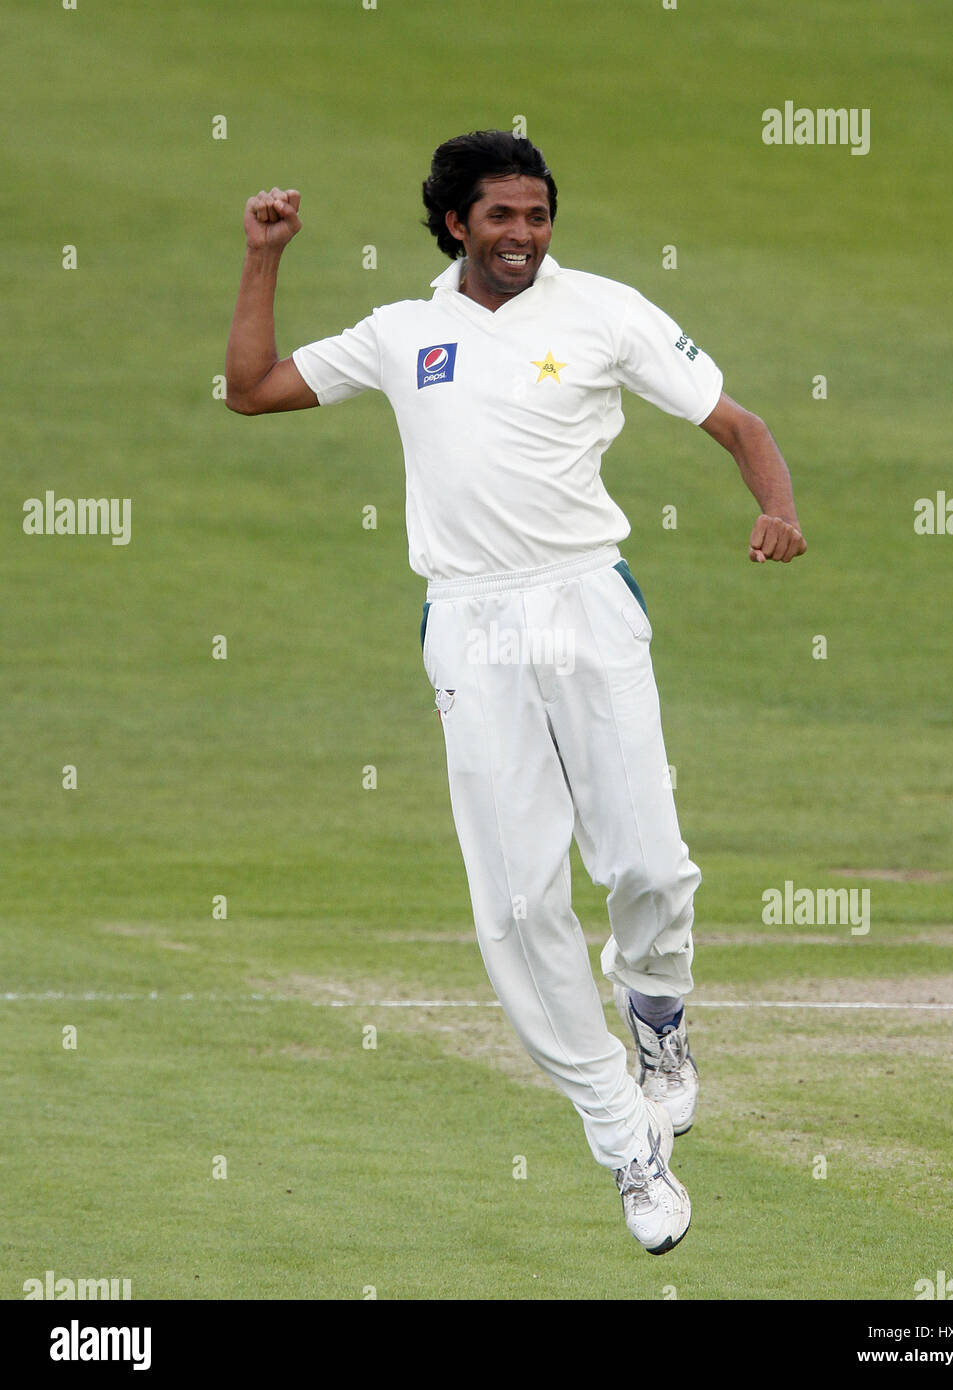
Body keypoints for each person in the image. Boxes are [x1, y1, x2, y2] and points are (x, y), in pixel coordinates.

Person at [225, 130, 806, 1255]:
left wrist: (774, 506)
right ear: (453, 223)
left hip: (587, 602)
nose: (524, 237)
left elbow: (741, 425)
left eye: (537, 216)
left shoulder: (604, 310)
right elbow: (250, 390)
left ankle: (656, 1009)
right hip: (471, 624)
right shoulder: (403, 333)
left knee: (648, 864)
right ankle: (623, 1138)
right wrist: (264, 256)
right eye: (501, 217)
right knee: (518, 902)